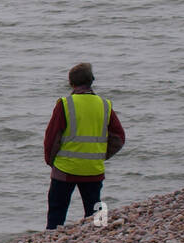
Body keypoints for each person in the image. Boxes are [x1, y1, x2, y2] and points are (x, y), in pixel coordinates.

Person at [43, 63, 124, 229]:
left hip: (65, 168)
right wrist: (101, 154)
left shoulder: (65, 104)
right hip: (93, 168)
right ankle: (99, 237)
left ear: (71, 83)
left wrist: (51, 162)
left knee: (57, 211)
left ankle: (50, 239)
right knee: (94, 209)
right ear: (91, 81)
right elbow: (119, 137)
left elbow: (52, 137)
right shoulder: (105, 104)